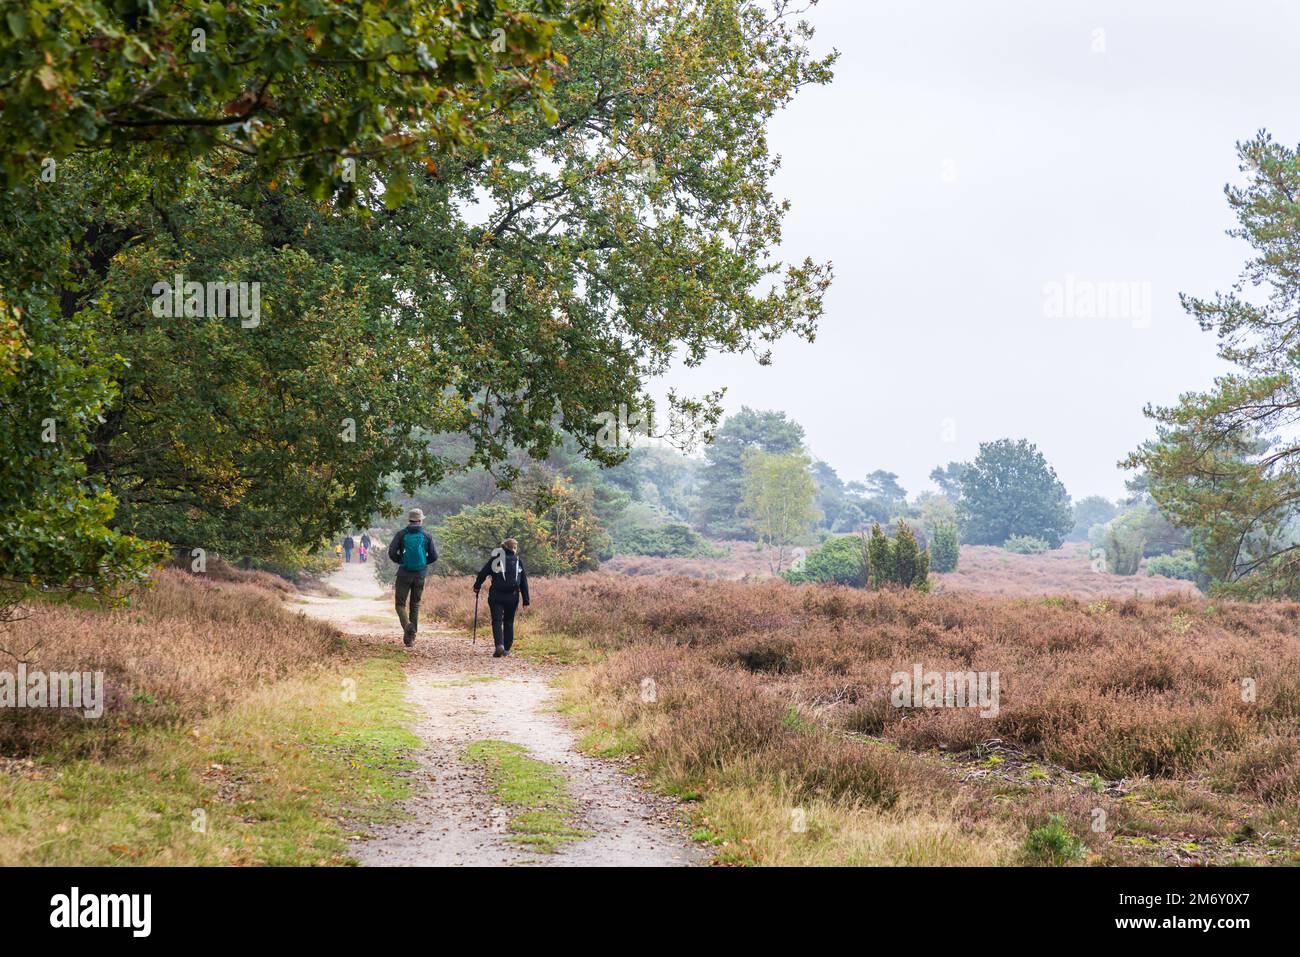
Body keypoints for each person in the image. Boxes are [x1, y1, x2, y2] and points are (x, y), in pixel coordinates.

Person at [388, 509, 438, 647]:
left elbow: (391, 552)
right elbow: (434, 556)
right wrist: (422, 564)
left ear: (409, 520)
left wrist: (401, 561)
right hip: (420, 575)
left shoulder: (401, 534)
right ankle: (411, 638)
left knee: (400, 604)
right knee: (415, 605)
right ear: (420, 520)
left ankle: (407, 625)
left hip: (404, 573)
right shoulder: (427, 536)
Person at [473, 538, 529, 658]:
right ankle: (507, 649)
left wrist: (477, 586)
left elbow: (483, 573)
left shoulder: (496, 560)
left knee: (497, 621)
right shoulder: (518, 561)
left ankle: (499, 645)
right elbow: (523, 581)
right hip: (513, 596)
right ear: (514, 548)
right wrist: (526, 600)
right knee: (509, 622)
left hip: (496, 595)